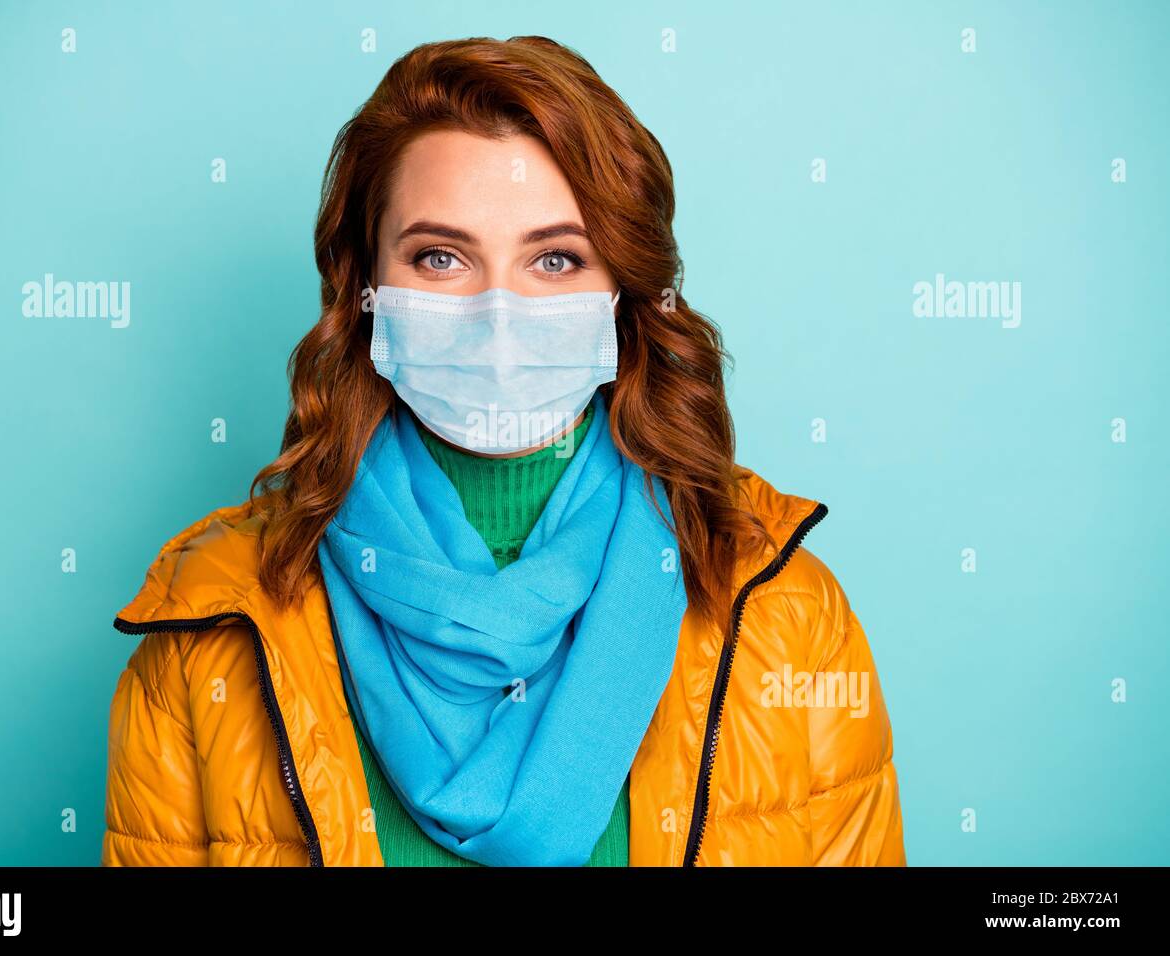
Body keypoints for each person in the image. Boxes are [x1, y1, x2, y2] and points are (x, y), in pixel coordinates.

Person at [102, 35, 905, 867]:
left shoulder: (784, 614)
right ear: (364, 289)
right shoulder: (211, 625)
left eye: (555, 258)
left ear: (624, 293)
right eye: (439, 257)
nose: (499, 315)